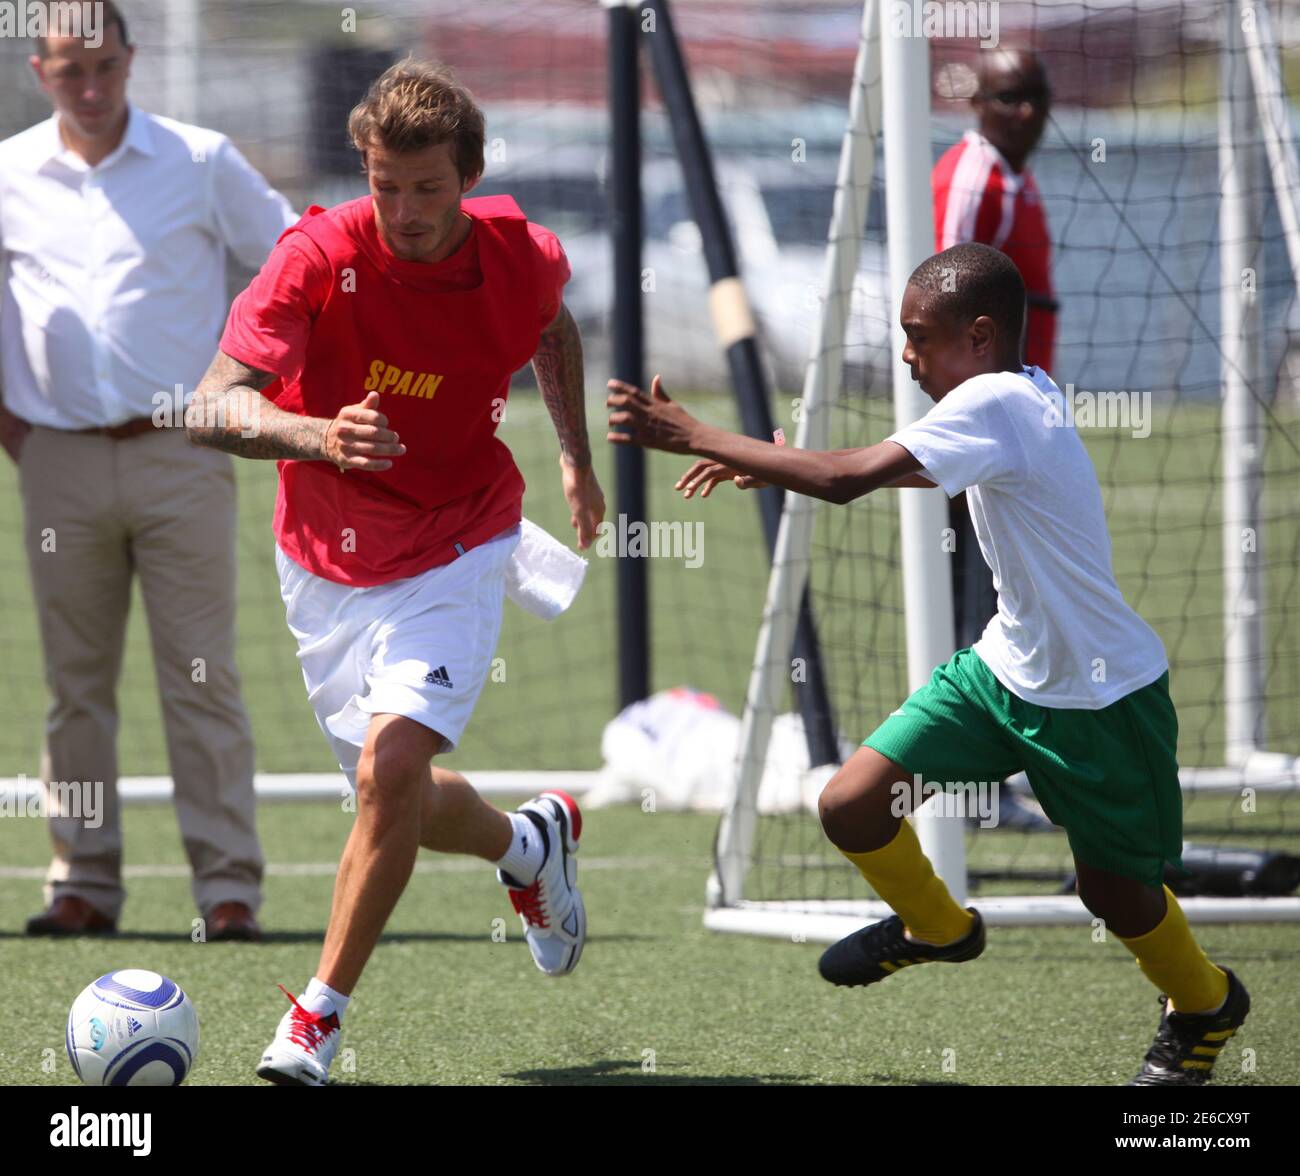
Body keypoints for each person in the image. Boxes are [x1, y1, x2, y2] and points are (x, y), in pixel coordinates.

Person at [605, 242, 1249, 1087]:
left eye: (919, 336)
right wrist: (774, 464)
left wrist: (696, 431)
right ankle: (938, 927)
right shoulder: (1016, 395)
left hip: (1100, 700)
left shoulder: (993, 400)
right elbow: (903, 474)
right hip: (999, 677)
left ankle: (1204, 1002)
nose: (906, 354)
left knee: (1115, 898)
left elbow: (844, 478)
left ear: (978, 336)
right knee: (851, 803)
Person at [186, 59, 605, 1086]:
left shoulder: (523, 255)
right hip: (324, 562)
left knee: (387, 775)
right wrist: (313, 435)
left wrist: (572, 456)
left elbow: (551, 329)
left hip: (459, 541)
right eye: (384, 186)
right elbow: (210, 405)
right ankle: (529, 847)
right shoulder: (316, 254)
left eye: (427, 188)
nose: (405, 212)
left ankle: (316, 1018)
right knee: (396, 797)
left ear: (465, 175)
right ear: (363, 170)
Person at [1, 1, 293, 940]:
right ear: (40, 69)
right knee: (74, 685)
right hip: (55, 463)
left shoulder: (199, 159)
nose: (90, 88)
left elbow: (293, 262)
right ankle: (83, 879)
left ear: (131, 58)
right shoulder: (6, 174)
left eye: (105, 66)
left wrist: (252, 397)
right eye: (68, 69)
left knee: (201, 675)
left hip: (184, 452)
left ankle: (227, 888)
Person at [934, 47, 1057, 654]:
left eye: (1037, 96)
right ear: (978, 105)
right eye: (1010, 97)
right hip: (984, 416)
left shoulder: (1017, 178)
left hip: (1024, 413)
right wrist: (958, 412)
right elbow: (938, 291)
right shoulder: (972, 175)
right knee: (976, 588)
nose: (1028, 111)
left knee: (1018, 581)